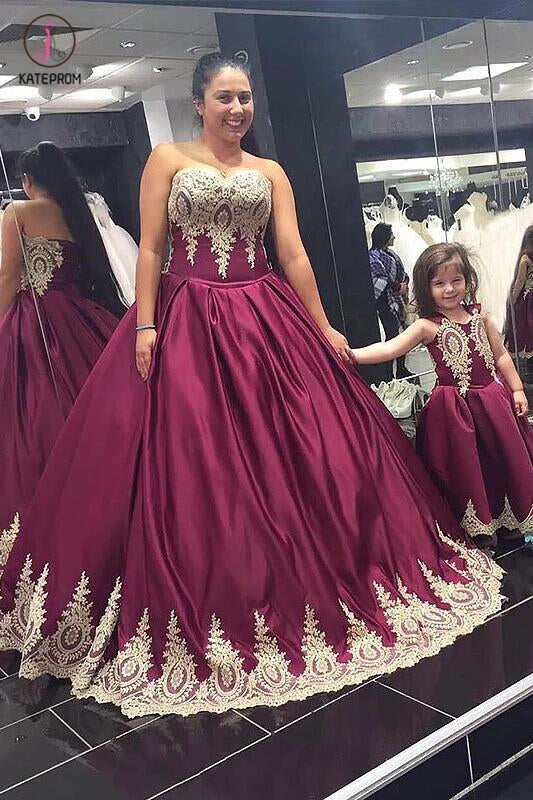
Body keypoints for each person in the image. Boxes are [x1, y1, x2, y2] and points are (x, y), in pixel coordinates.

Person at [0, 55, 502, 719]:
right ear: (198, 102)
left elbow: (290, 252)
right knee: (189, 449)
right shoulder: (167, 159)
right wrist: (146, 324)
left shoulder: (269, 172)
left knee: (306, 445)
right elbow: (150, 247)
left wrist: (321, 325)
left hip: (264, 311)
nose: (237, 109)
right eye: (224, 97)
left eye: (244, 98)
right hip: (186, 314)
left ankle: (321, 576)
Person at [353, 242, 533, 550]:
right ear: (426, 287)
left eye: (456, 281)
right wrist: (352, 355)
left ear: (467, 280)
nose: (449, 289)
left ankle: (509, 520)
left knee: (501, 459)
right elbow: (389, 348)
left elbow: (501, 355)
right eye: (439, 283)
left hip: (493, 403)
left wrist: (516, 388)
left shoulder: (480, 315)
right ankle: (479, 528)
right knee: (467, 467)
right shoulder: (426, 326)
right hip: (455, 413)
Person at [0, 142, 124, 546]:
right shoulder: (77, 216)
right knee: (87, 409)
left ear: (27, 181)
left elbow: (8, 277)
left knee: (32, 419)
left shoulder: (16, 212)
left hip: (34, 322)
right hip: (80, 319)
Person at [369, 223, 412, 379]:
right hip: (385, 302)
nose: (394, 237)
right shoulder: (373, 256)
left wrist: (404, 283)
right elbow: (379, 278)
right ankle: (388, 373)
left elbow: (402, 272)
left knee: (402, 335)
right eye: (391, 234)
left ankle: (401, 369)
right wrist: (397, 287)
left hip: (396, 299)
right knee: (392, 335)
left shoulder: (391, 254)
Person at [504, 225, 533, 379]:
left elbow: (520, 281)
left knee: (524, 330)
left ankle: (526, 369)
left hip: (527, 300)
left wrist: (512, 300)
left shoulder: (525, 259)